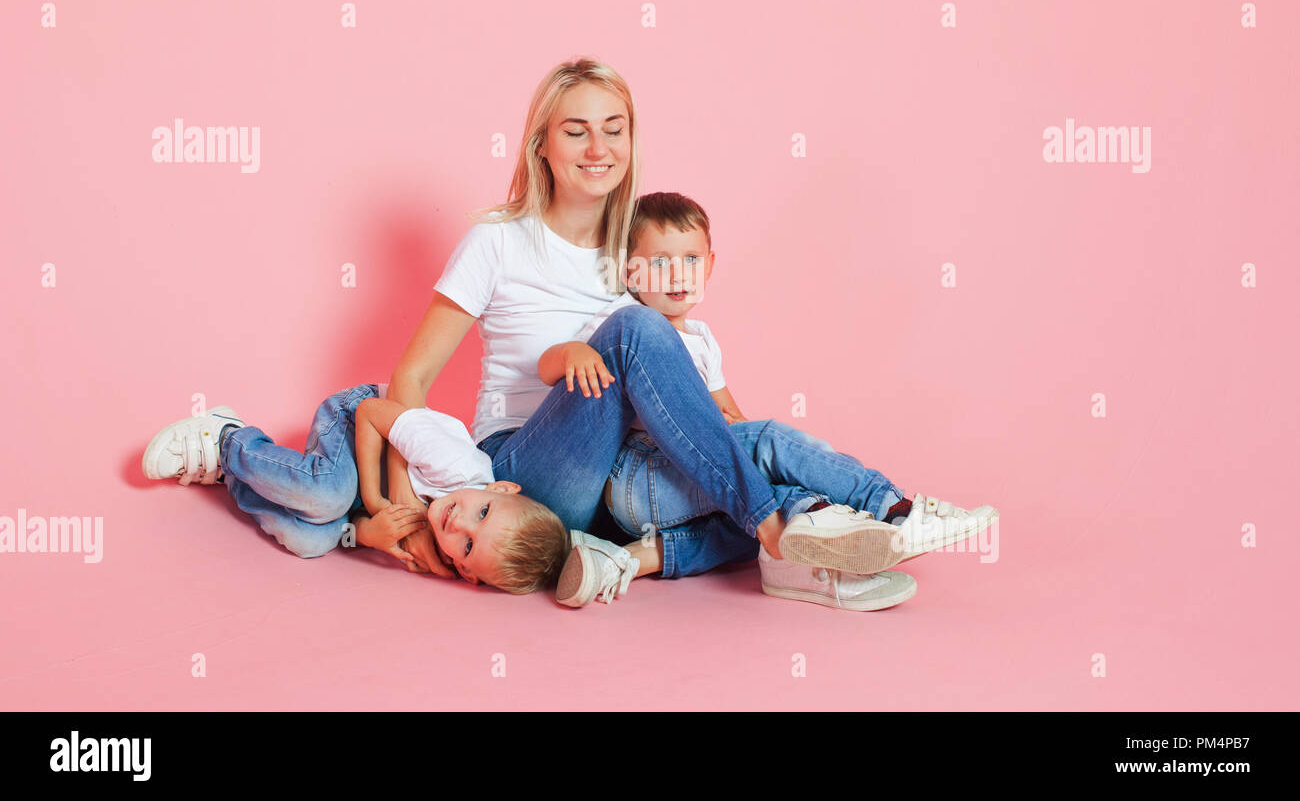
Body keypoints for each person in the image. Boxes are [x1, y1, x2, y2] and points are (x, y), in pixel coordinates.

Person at [382, 57, 925, 605]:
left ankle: (679, 557)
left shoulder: (638, 247)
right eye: (576, 132)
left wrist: (726, 429)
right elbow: (409, 383)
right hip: (528, 475)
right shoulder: (496, 242)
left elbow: (680, 371)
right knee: (634, 329)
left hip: (623, 485)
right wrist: (409, 514)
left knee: (719, 462)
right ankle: (773, 533)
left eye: (613, 130)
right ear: (540, 145)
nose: (598, 149)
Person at [541, 191, 999, 609]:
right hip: (639, 480)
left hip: (682, 487)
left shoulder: (703, 339)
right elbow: (546, 369)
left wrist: (746, 441)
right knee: (770, 442)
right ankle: (894, 507)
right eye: (659, 262)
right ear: (629, 270)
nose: (678, 275)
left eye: (691, 260)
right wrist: (572, 353)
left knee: (759, 491)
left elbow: (729, 416)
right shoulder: (624, 321)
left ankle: (812, 552)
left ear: (711, 265)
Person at [139, 381, 568, 594]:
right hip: (358, 423)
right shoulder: (457, 466)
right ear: (503, 488)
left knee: (310, 539)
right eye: (484, 512)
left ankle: (234, 473)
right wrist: (377, 501)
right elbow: (371, 412)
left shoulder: (439, 551)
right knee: (328, 495)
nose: (459, 524)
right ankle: (227, 438)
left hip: (356, 490)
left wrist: (366, 535)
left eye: (469, 547)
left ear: (466, 574)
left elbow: (359, 532)